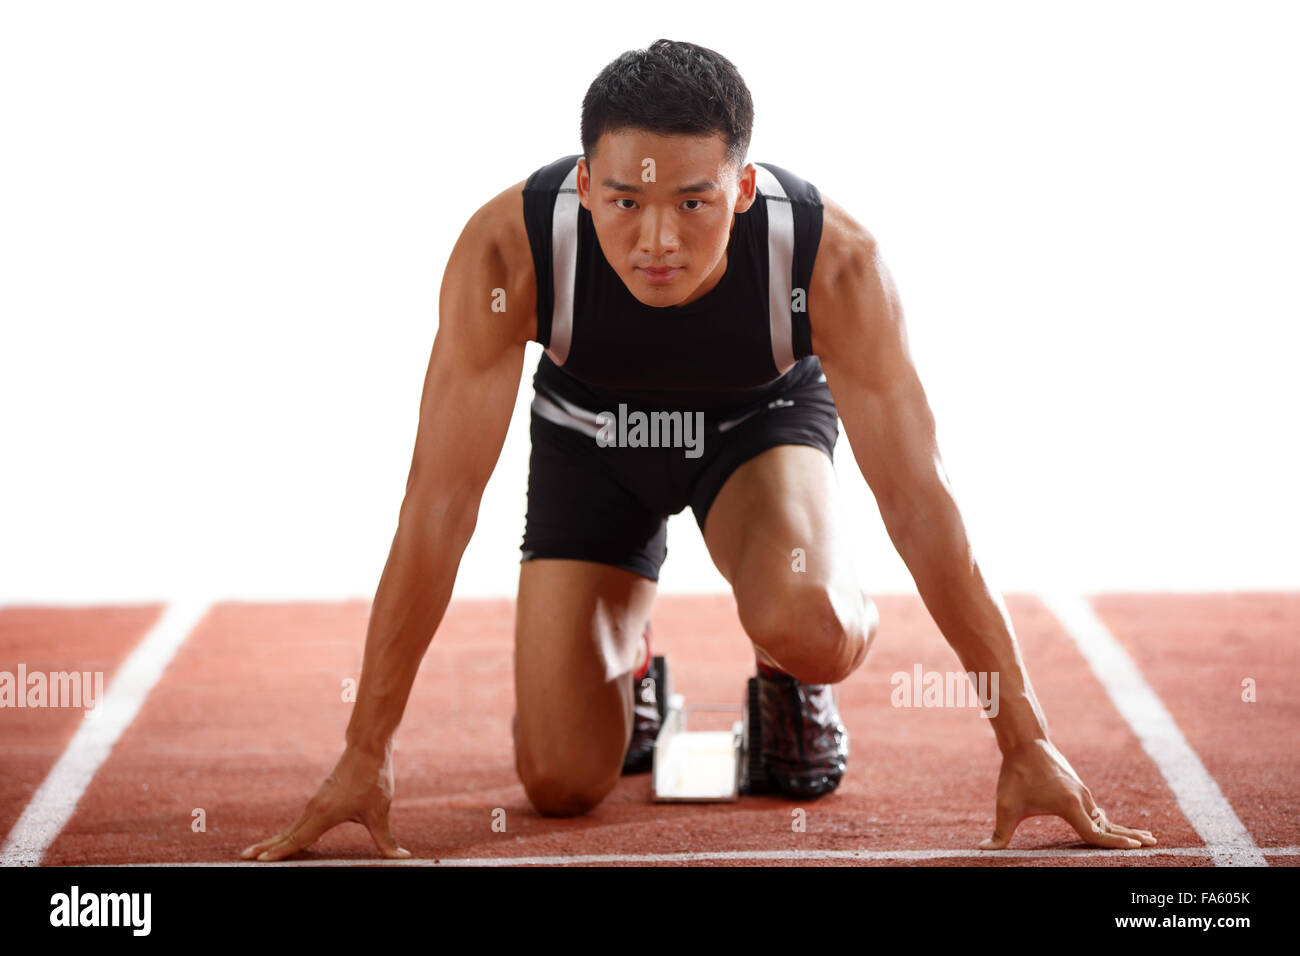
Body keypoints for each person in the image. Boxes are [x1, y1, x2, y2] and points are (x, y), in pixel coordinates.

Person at [242, 39, 1157, 862]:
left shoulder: (830, 262)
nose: (656, 240)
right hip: (593, 445)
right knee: (560, 783)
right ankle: (632, 663)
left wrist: (1024, 739)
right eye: (625, 201)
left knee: (814, 626)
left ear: (745, 189)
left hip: (755, 435)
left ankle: (788, 672)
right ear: (585, 186)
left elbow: (922, 505)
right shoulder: (509, 253)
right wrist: (365, 750)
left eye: (693, 201)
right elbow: (436, 508)